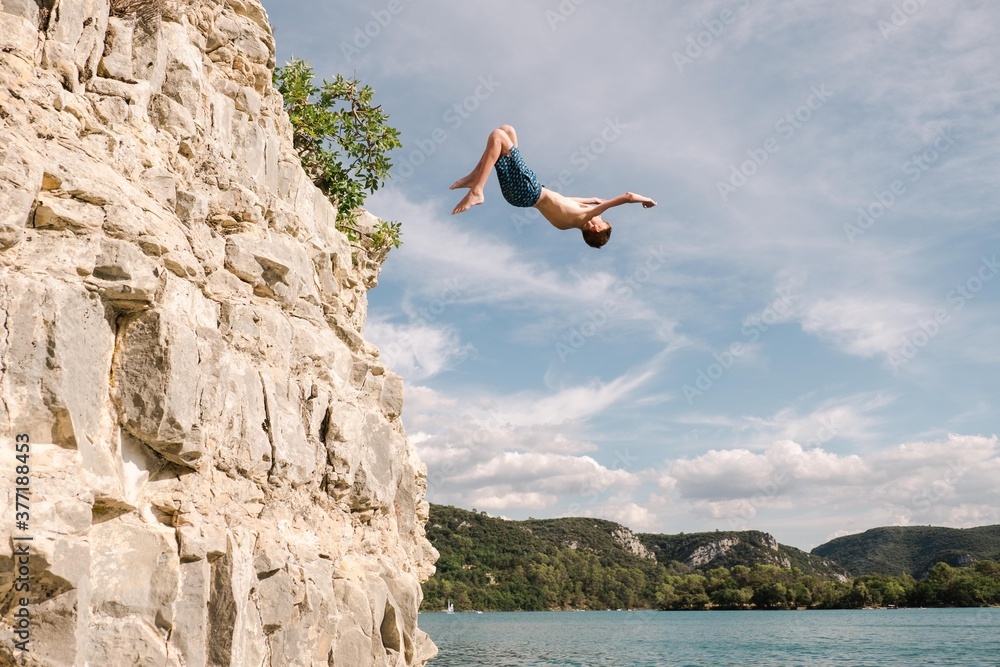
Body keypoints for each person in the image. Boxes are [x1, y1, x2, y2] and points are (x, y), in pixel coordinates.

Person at [450, 124, 656, 248]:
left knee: (498, 136)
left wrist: (646, 200)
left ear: (594, 227)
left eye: (603, 221)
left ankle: (477, 189)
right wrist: (590, 199)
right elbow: (565, 201)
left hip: (529, 188)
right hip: (521, 196)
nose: (602, 216)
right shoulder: (570, 222)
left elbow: (628, 196)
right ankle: (475, 177)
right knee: (507, 132)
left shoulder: (586, 216)